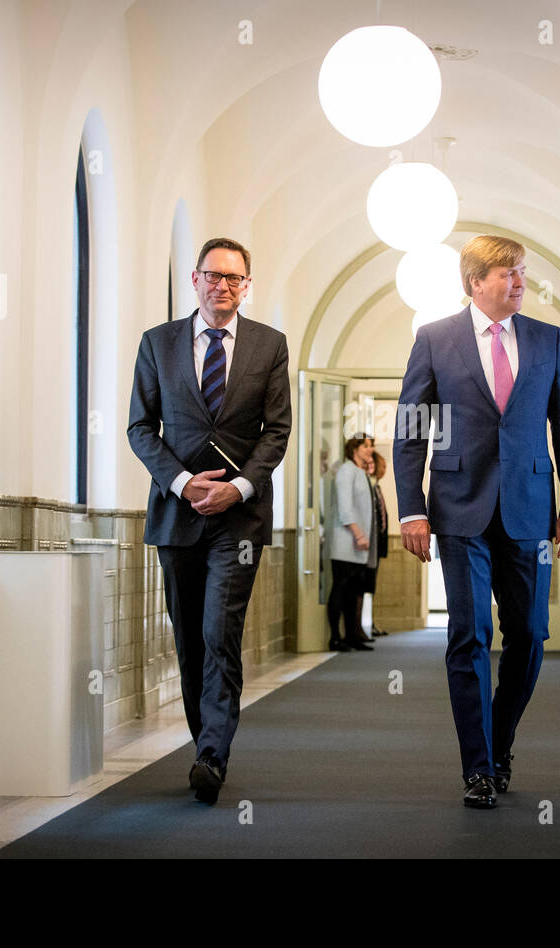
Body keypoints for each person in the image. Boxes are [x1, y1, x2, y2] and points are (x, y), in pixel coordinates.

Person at [393, 234, 560, 809]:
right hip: (459, 509)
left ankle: (500, 744)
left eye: (523, 272)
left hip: (530, 512)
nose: (521, 283)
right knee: (470, 635)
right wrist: (412, 508)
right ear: (476, 282)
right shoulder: (434, 340)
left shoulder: (548, 340)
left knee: (529, 635)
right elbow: (411, 430)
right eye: (509, 274)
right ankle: (477, 767)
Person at [126, 237, 291, 804]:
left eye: (235, 279)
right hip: (177, 513)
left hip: (238, 521)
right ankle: (206, 745)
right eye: (214, 276)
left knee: (220, 631)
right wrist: (182, 482)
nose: (224, 286)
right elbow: (140, 428)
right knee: (190, 636)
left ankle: (212, 755)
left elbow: (277, 431)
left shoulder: (269, 346)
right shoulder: (159, 344)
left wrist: (239, 487)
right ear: (194, 279)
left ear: (247, 286)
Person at [328, 434, 376, 652]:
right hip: (346, 542)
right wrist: (358, 534)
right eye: (366, 446)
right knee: (340, 587)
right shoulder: (347, 470)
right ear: (354, 449)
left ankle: (351, 635)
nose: (370, 449)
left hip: (359, 544)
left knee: (353, 591)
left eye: (371, 446)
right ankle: (335, 638)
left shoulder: (361, 472)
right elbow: (345, 507)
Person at [365, 452, 390, 636]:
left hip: (378, 543)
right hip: (367, 545)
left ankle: (369, 623)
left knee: (371, 586)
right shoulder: (369, 486)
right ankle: (365, 625)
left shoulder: (377, 487)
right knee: (366, 586)